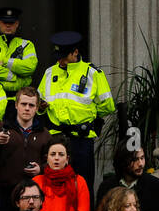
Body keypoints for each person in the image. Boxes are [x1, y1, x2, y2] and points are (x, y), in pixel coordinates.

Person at [37, 31, 114, 193]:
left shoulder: (92, 73)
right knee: (55, 186)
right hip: (56, 138)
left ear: (76, 52)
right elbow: (39, 103)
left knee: (82, 186)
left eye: (64, 56)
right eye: (58, 56)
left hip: (81, 140)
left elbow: (107, 105)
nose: (60, 60)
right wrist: (41, 108)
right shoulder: (50, 73)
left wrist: (90, 114)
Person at [0, 86, 51, 211]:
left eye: (31, 105)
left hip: (32, 196)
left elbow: (51, 162)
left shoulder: (44, 134)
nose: (27, 108)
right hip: (4, 193)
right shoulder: (1, 127)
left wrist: (41, 169)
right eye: (23, 104)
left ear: (37, 107)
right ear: (16, 105)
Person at [95, 138, 159, 211]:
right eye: (135, 159)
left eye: (142, 158)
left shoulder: (157, 188)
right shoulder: (107, 187)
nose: (140, 164)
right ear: (122, 160)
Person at [33, 137, 90, 211]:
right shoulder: (37, 181)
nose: (56, 158)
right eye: (53, 154)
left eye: (61, 154)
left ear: (67, 159)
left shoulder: (79, 181)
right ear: (47, 158)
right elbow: (31, 210)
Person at [0, 6, 37, 101]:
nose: (8, 25)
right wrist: (15, 77)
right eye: (4, 22)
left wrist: (5, 62)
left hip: (21, 99)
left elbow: (30, 68)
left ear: (17, 24)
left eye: (11, 23)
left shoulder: (27, 44)